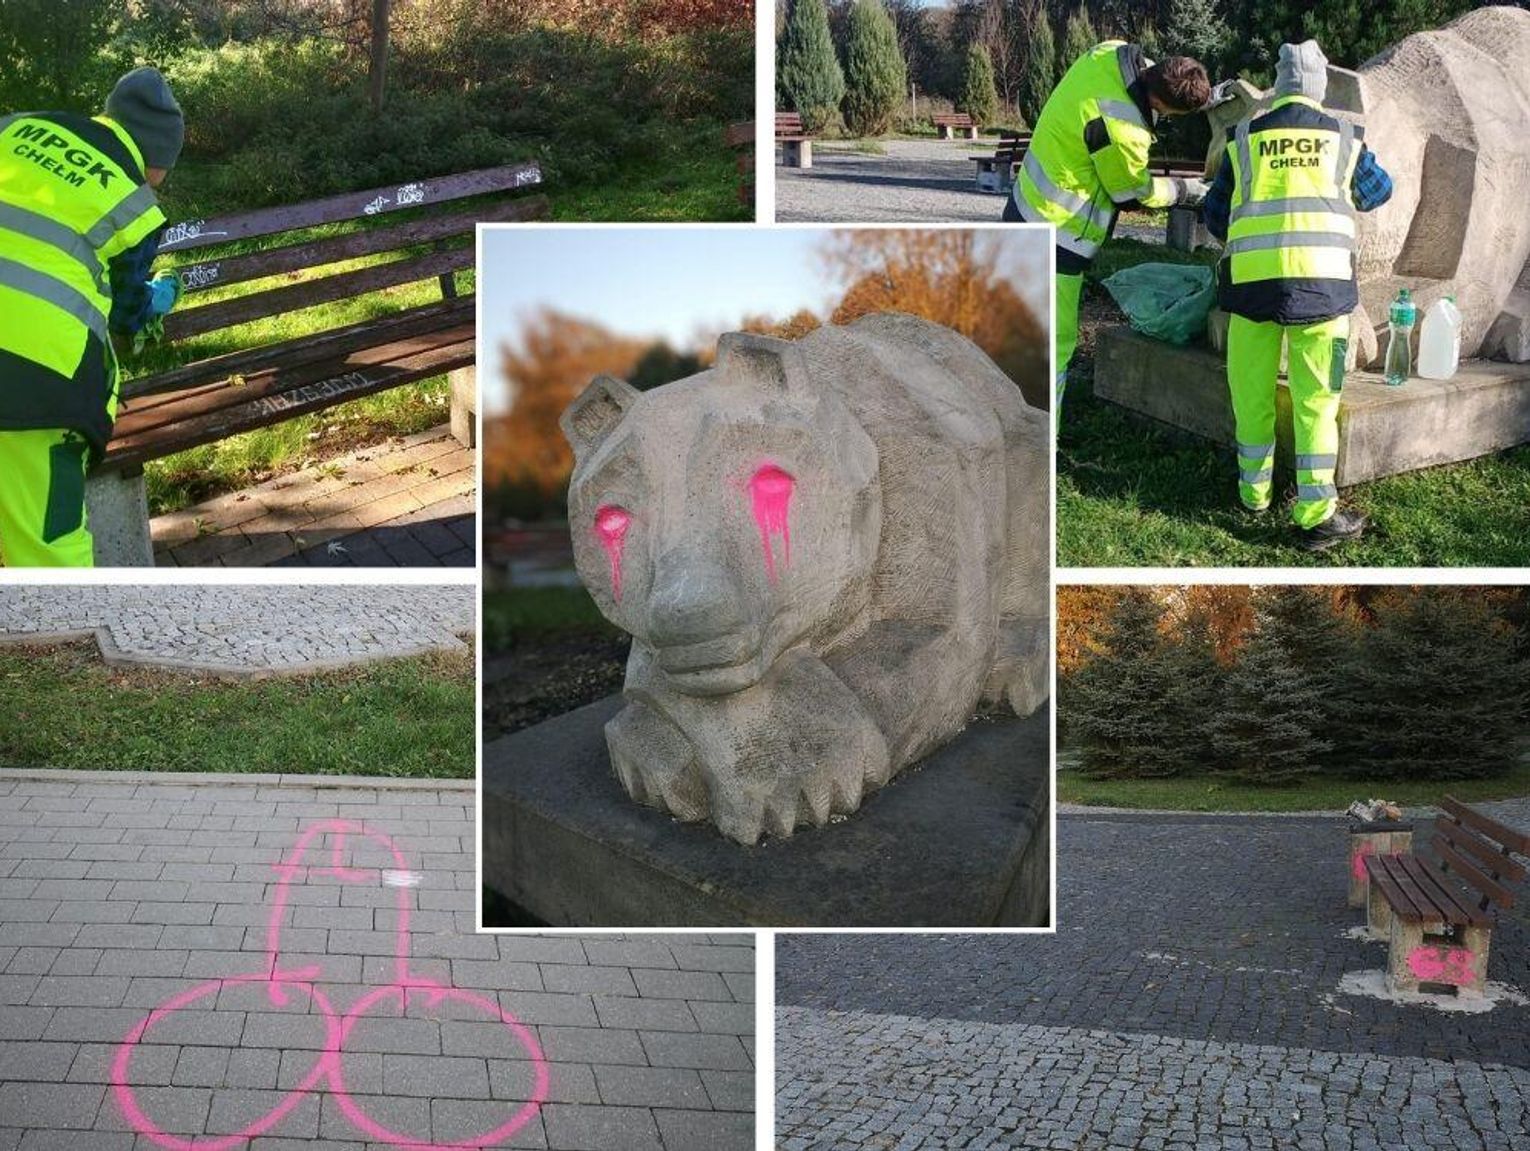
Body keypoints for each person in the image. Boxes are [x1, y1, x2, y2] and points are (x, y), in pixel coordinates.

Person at [1203, 40, 1392, 552]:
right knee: (1316, 402)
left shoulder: (1244, 137)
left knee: (1251, 394)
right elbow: (1378, 191)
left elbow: (1215, 216)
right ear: (1319, 88)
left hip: (1250, 289)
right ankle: (1315, 512)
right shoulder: (1345, 137)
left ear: (1279, 86)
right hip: (1324, 292)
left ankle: (1253, 493)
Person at [0, 67, 185, 567]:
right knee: (49, 550)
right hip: (38, 389)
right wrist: (158, 299)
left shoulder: (16, 128)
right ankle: (72, 638)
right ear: (157, 156)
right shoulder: (133, 204)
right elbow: (125, 315)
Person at [1005, 41, 1212, 422]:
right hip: (1057, 235)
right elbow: (1132, 194)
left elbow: (1153, 74)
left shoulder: (1108, 53)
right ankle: (1037, 443)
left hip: (1024, 204)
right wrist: (1189, 190)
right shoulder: (1125, 132)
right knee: (1054, 343)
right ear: (1163, 106)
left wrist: (1210, 96)